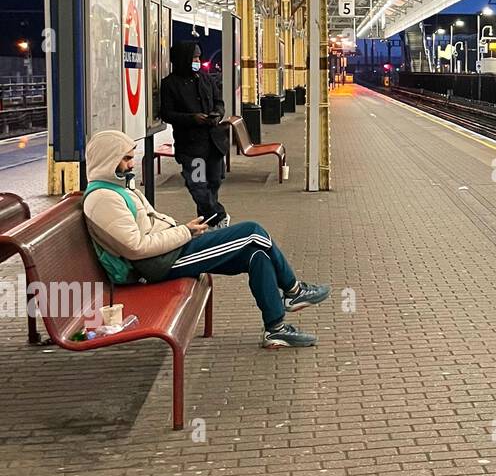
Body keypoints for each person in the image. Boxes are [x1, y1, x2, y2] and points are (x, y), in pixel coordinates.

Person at [81, 129, 328, 348]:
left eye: (131, 156)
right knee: (253, 232)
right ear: (108, 160)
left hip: (170, 252)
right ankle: (294, 290)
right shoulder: (103, 198)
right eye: (125, 158)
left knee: (256, 253)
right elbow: (136, 248)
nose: (131, 164)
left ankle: (276, 330)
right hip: (158, 264)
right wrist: (185, 232)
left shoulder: (117, 189)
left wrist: (184, 231)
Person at [160, 42, 230, 228]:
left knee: (214, 183)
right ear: (183, 59)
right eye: (194, 58)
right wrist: (193, 119)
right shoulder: (170, 84)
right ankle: (218, 216)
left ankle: (208, 225)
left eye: (199, 58)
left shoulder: (206, 79)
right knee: (199, 186)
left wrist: (217, 114)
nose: (198, 61)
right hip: (192, 149)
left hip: (214, 145)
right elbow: (167, 114)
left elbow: (219, 102)